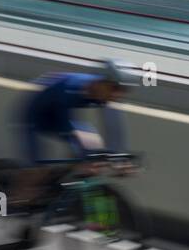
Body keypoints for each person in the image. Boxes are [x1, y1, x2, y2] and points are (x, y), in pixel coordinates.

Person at [10, 58, 139, 207]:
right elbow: (67, 127)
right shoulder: (71, 88)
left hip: (57, 117)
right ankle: (13, 206)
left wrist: (119, 157)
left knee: (94, 146)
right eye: (115, 88)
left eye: (124, 90)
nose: (118, 95)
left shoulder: (104, 94)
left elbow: (114, 127)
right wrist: (82, 156)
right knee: (36, 170)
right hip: (33, 116)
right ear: (101, 82)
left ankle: (60, 191)